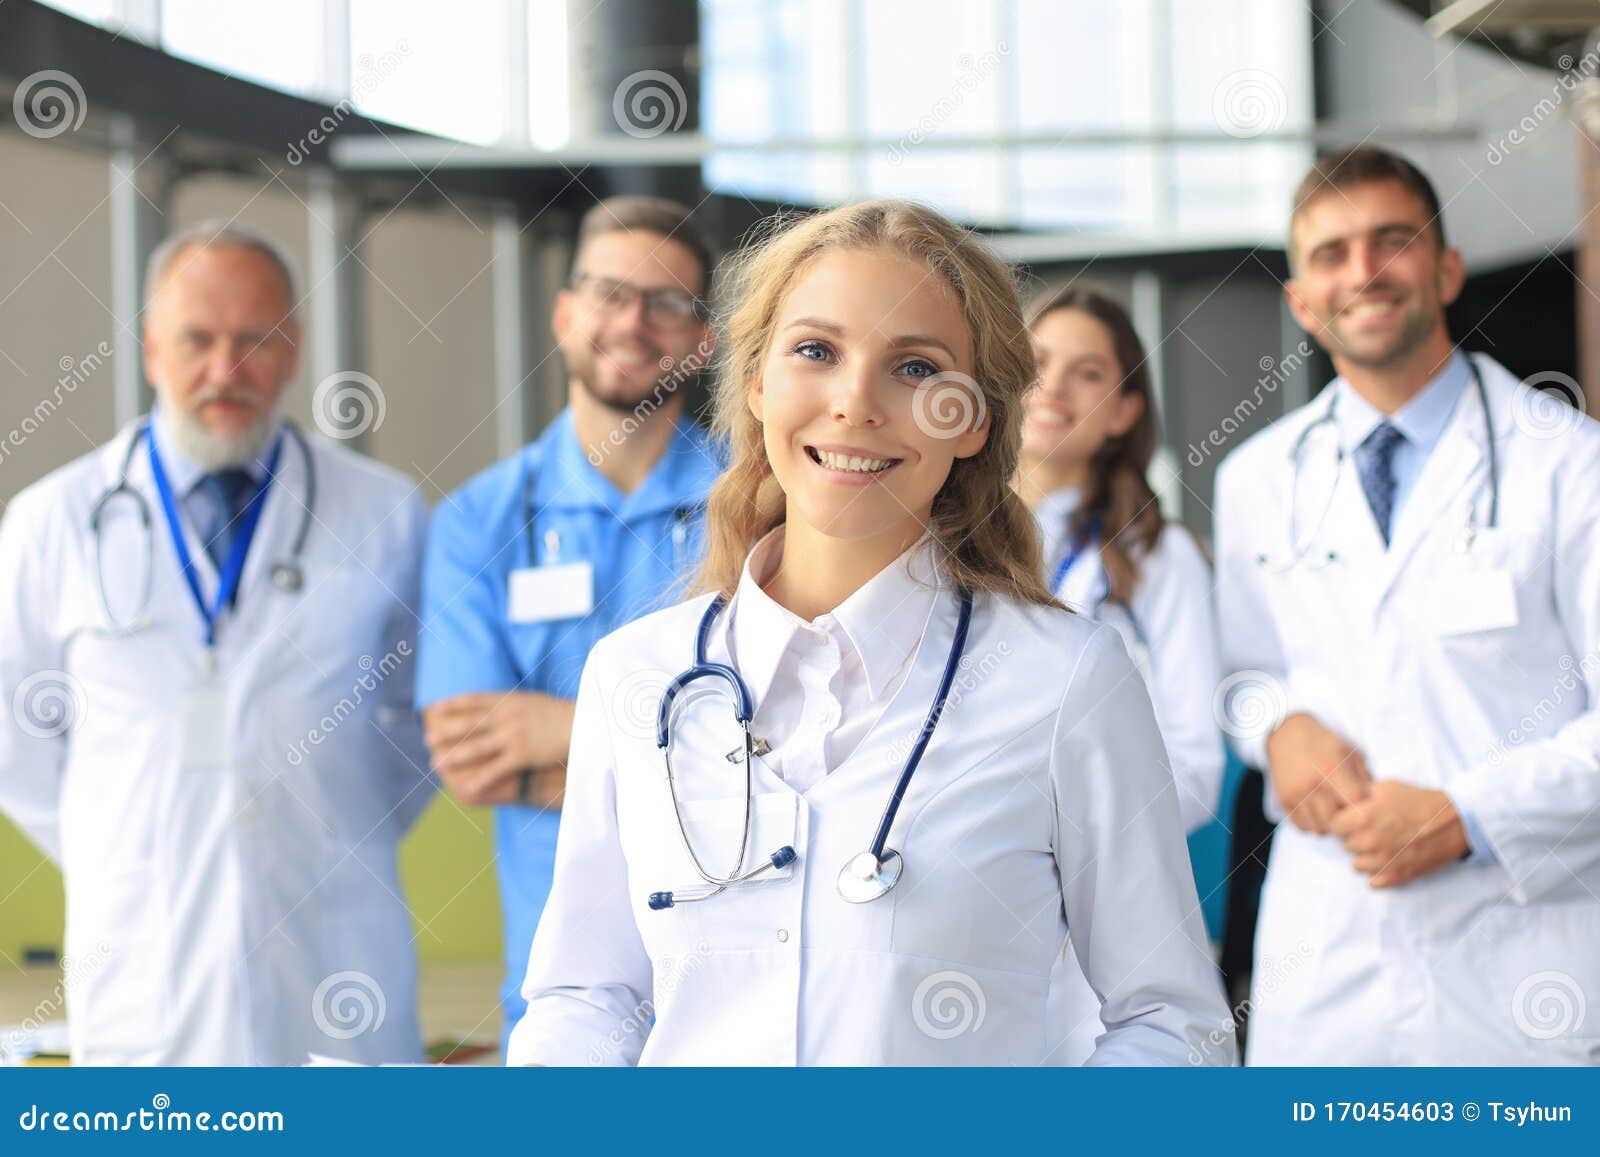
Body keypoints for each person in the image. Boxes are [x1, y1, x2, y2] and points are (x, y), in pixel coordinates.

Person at [505, 199, 1233, 1066]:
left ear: (976, 419)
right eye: (816, 351)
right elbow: (586, 998)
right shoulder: (634, 675)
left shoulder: (1066, 678)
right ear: (756, 382)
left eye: (916, 368)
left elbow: (1175, 1024)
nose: (855, 402)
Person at [0, 222, 433, 1065]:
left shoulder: (382, 512)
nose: (226, 370)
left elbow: (417, 729)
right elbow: (16, 741)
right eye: (197, 339)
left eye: (255, 340)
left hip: (334, 942)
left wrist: (321, 819)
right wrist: (128, 840)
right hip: (139, 954)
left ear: (294, 348)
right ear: (150, 347)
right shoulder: (52, 520)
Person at [1214, 145, 1600, 1064]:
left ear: (1447, 268)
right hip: (1327, 962)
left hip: (1520, 958)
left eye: (1393, 240)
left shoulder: (1570, 460)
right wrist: (1276, 729)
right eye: (1332, 253)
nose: (1364, 271)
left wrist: (1469, 814)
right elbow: (1240, 677)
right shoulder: (1255, 478)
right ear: (1301, 300)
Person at [416, 196, 724, 1053]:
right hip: (556, 1005)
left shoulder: (761, 504)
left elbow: (790, 748)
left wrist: (558, 733)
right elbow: (472, 760)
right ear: (565, 314)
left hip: (736, 999)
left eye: (667, 302)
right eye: (609, 292)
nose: (633, 321)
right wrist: (700, 760)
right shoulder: (479, 520)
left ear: (701, 342)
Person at [1016, 284, 1226, 1064]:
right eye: (1038, 362)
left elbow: (1197, 762)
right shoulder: (939, 547)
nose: (1054, 388)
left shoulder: (1161, 559)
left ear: (1126, 410)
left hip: (1102, 922)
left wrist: (1059, 832)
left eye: (1088, 373)